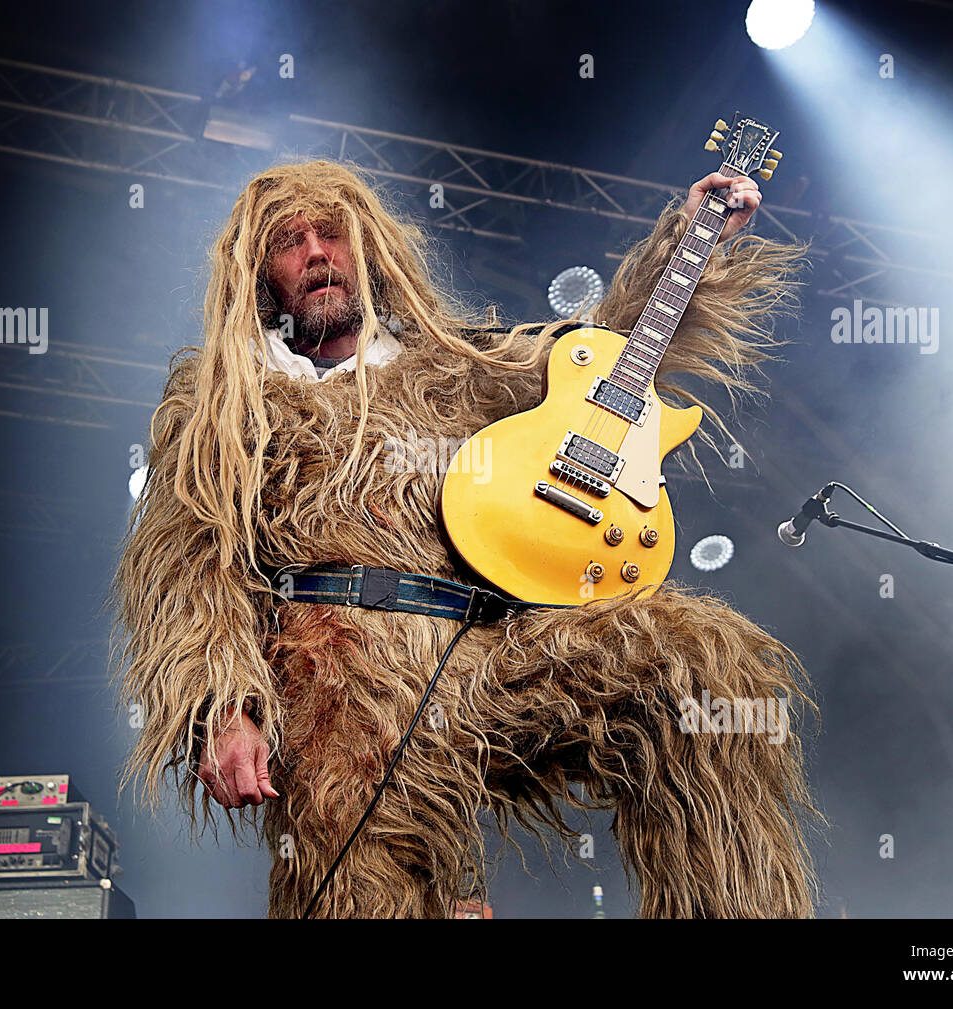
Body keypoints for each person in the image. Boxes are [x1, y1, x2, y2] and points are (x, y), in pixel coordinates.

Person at [115, 159, 819, 917]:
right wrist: (222, 706)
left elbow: (604, 361)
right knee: (368, 896)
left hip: (489, 657)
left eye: (333, 234)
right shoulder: (225, 408)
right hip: (340, 677)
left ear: (369, 253)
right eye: (291, 241)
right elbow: (191, 572)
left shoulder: (457, 368)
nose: (317, 252)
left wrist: (690, 243)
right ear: (261, 276)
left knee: (702, 664)